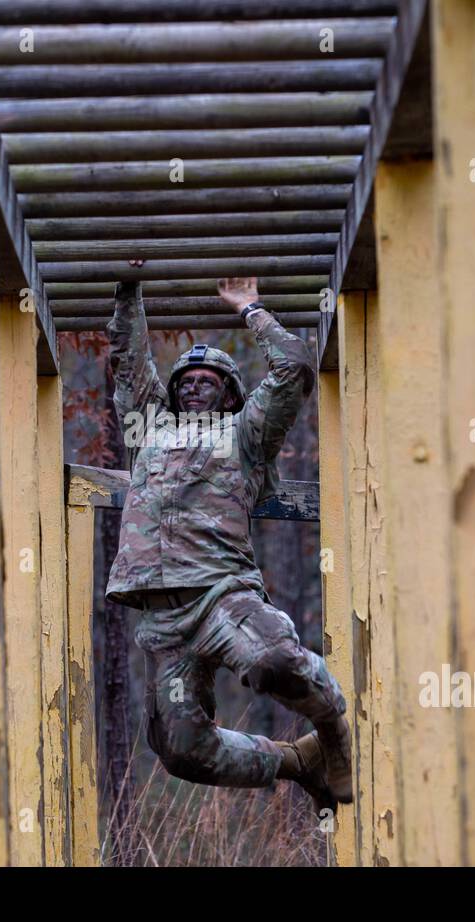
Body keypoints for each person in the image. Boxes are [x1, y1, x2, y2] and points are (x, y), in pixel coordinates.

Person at [105, 275, 353, 814]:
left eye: (208, 379)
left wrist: (252, 309)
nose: (194, 385)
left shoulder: (246, 433)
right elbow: (128, 363)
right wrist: (128, 287)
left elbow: (294, 369)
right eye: (186, 379)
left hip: (221, 597)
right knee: (181, 750)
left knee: (273, 662)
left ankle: (333, 728)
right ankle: (298, 762)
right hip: (163, 620)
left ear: (231, 393)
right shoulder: (148, 431)